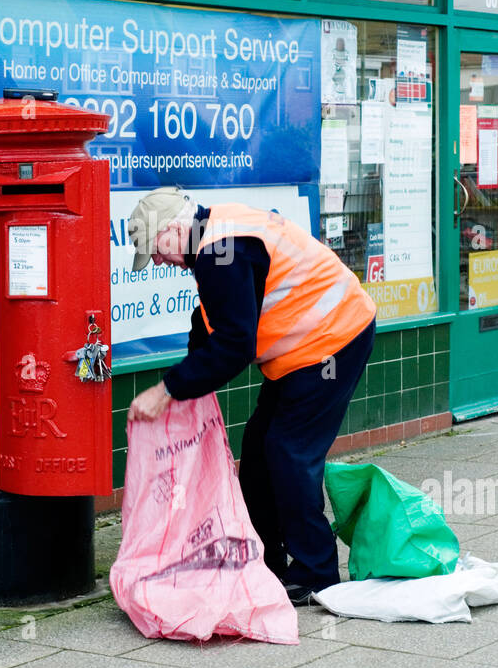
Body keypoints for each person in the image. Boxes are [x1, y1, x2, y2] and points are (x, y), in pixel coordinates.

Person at [126, 187, 377, 604]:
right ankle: (267, 563)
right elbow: (212, 318)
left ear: (172, 228)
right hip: (304, 349)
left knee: (288, 453)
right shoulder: (214, 236)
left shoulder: (220, 249)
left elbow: (233, 344)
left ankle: (317, 572)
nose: (156, 261)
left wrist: (168, 391)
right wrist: (187, 386)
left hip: (333, 340)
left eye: (155, 249)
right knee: (259, 448)